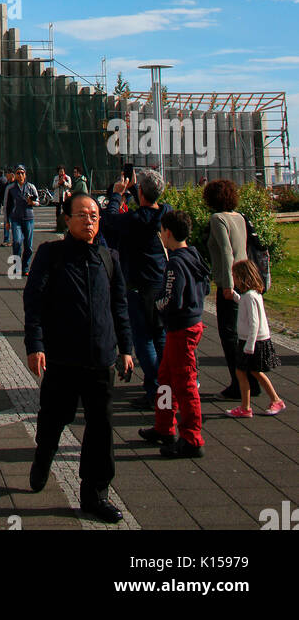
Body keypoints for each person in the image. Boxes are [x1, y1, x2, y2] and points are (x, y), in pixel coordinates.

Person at [24, 189, 133, 524]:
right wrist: (35, 344)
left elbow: (119, 306)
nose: (90, 220)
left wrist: (126, 348)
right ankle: (44, 455)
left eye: (95, 215)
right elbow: (34, 302)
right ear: (67, 219)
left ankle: (95, 493)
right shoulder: (50, 254)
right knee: (55, 417)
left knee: (101, 427)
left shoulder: (108, 258)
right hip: (62, 358)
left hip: (101, 358)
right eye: (83, 214)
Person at [138, 210, 208, 457]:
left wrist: (156, 305)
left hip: (181, 328)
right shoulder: (193, 254)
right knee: (165, 378)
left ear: (167, 233)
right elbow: (204, 285)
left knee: (185, 383)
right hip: (188, 323)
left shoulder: (175, 263)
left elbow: (170, 298)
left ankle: (192, 438)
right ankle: (165, 426)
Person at [101, 169, 170, 410]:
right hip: (160, 281)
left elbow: (109, 220)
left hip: (139, 284)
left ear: (140, 192)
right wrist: (134, 188)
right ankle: (167, 387)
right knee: (161, 335)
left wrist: (117, 195)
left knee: (143, 339)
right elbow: (148, 202)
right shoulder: (165, 212)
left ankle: (155, 390)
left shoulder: (136, 220)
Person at [204, 179, 257, 400]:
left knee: (229, 335)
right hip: (246, 280)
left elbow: (226, 252)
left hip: (231, 282)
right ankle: (251, 381)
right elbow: (242, 248)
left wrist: (226, 284)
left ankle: (239, 384)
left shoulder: (218, 219)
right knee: (244, 334)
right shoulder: (240, 217)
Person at [225, 259, 285, 418]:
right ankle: (248, 406)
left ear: (243, 277)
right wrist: (236, 297)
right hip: (253, 340)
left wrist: (249, 345)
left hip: (253, 341)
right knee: (246, 372)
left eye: (235, 276)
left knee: (250, 372)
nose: (234, 280)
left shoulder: (250, 297)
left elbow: (254, 322)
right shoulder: (250, 295)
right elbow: (247, 308)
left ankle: (272, 400)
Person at [4, 166, 39, 273]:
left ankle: (25, 267)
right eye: (18, 173)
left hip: (28, 218)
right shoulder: (10, 188)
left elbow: (38, 201)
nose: (20, 175)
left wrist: (32, 202)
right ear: (15, 175)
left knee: (28, 246)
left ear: (25, 175)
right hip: (16, 219)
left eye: (22, 173)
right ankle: (17, 266)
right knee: (17, 242)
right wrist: (6, 221)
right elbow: (6, 205)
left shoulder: (30, 187)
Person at [52, 166, 71, 232]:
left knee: (65, 211)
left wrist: (64, 182)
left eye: (62, 171)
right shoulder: (56, 178)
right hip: (58, 197)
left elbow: (70, 186)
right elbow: (53, 186)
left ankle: (65, 226)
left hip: (65, 197)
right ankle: (58, 226)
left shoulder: (67, 177)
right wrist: (58, 183)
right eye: (60, 171)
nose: (61, 172)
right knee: (58, 212)